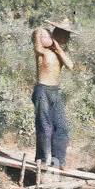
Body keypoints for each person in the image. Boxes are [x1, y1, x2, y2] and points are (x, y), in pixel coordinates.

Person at [32, 18, 75, 170]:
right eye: (65, 34)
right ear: (58, 33)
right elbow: (37, 36)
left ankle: (59, 161)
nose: (67, 38)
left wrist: (57, 48)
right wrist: (47, 38)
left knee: (61, 127)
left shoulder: (60, 52)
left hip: (55, 92)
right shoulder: (42, 50)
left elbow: (70, 66)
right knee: (44, 125)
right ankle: (42, 160)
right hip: (42, 89)